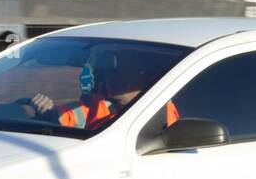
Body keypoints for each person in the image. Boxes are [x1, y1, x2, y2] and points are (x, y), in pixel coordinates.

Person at [32, 51, 180, 130]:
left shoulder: (162, 116)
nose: (110, 77)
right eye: (108, 71)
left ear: (145, 75)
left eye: (120, 70)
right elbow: (67, 116)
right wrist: (48, 110)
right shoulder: (98, 104)